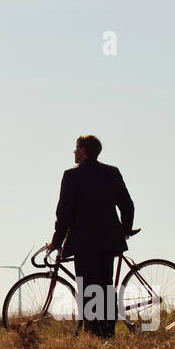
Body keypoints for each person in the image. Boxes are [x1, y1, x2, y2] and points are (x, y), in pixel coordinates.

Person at [47, 135, 134, 338]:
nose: (74, 152)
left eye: (76, 148)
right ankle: (107, 333)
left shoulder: (71, 175)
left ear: (84, 151)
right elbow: (127, 205)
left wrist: (56, 241)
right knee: (105, 285)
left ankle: (95, 334)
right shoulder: (112, 173)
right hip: (109, 240)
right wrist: (125, 230)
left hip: (83, 241)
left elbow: (64, 213)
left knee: (89, 288)